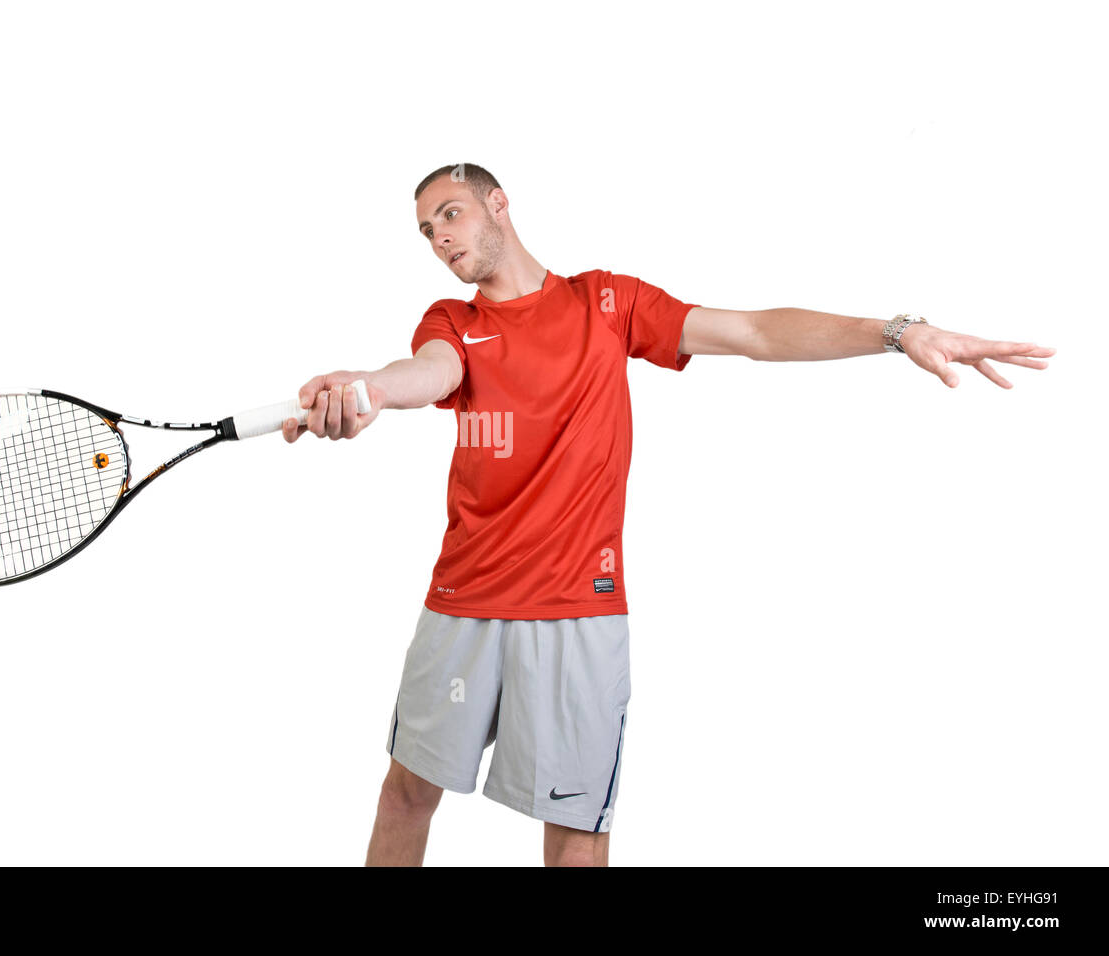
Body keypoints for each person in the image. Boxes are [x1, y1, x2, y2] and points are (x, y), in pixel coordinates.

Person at [281, 163, 1055, 867]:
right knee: (405, 797)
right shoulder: (451, 321)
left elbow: (752, 332)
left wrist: (896, 333)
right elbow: (424, 373)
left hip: (576, 617)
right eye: (426, 230)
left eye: (449, 214)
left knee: (577, 838)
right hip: (460, 605)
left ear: (498, 202)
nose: (440, 238)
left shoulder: (606, 303)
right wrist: (368, 389)